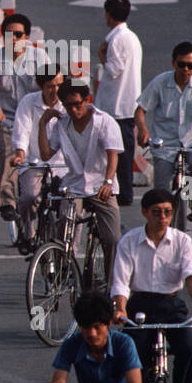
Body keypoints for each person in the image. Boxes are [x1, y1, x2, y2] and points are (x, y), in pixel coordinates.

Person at [111, 188, 192, 383]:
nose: (162, 218)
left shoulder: (182, 241)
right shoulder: (129, 241)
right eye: (156, 212)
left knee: (190, 351)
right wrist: (120, 310)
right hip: (140, 304)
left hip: (171, 305)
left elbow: (191, 275)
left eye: (167, 212)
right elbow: (121, 282)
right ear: (145, 212)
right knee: (134, 357)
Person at [135, 41, 192, 228]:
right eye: (181, 65)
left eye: (191, 66)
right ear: (174, 63)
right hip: (166, 143)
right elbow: (140, 110)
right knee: (161, 188)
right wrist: (143, 129)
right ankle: (163, 228)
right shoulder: (161, 82)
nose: (186, 70)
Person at [38, 82, 123, 266]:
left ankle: (111, 289)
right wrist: (42, 123)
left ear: (87, 100)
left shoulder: (104, 121)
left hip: (101, 186)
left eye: (78, 104)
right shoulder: (61, 124)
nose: (74, 110)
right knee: (65, 221)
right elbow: (46, 154)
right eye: (68, 105)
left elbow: (112, 154)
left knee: (113, 239)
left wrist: (108, 182)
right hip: (75, 185)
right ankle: (64, 269)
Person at [0, 13, 46, 222]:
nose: (14, 39)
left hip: (36, 119)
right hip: (8, 119)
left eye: (18, 34)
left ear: (27, 37)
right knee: (8, 151)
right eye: (9, 35)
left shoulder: (40, 58)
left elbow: (49, 87)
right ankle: (7, 201)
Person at [93, 0, 142, 208]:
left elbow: (114, 70)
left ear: (109, 15)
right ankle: (123, 190)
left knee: (120, 151)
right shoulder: (129, 37)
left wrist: (102, 55)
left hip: (118, 105)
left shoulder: (118, 39)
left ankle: (124, 192)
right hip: (126, 103)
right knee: (123, 150)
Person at [10, 68, 67, 249]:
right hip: (34, 162)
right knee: (29, 196)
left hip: (63, 165)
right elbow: (22, 131)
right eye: (50, 86)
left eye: (59, 85)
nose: (55, 91)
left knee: (69, 205)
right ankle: (28, 232)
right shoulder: (28, 102)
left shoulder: (68, 103)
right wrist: (20, 153)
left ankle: (66, 247)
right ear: (41, 86)